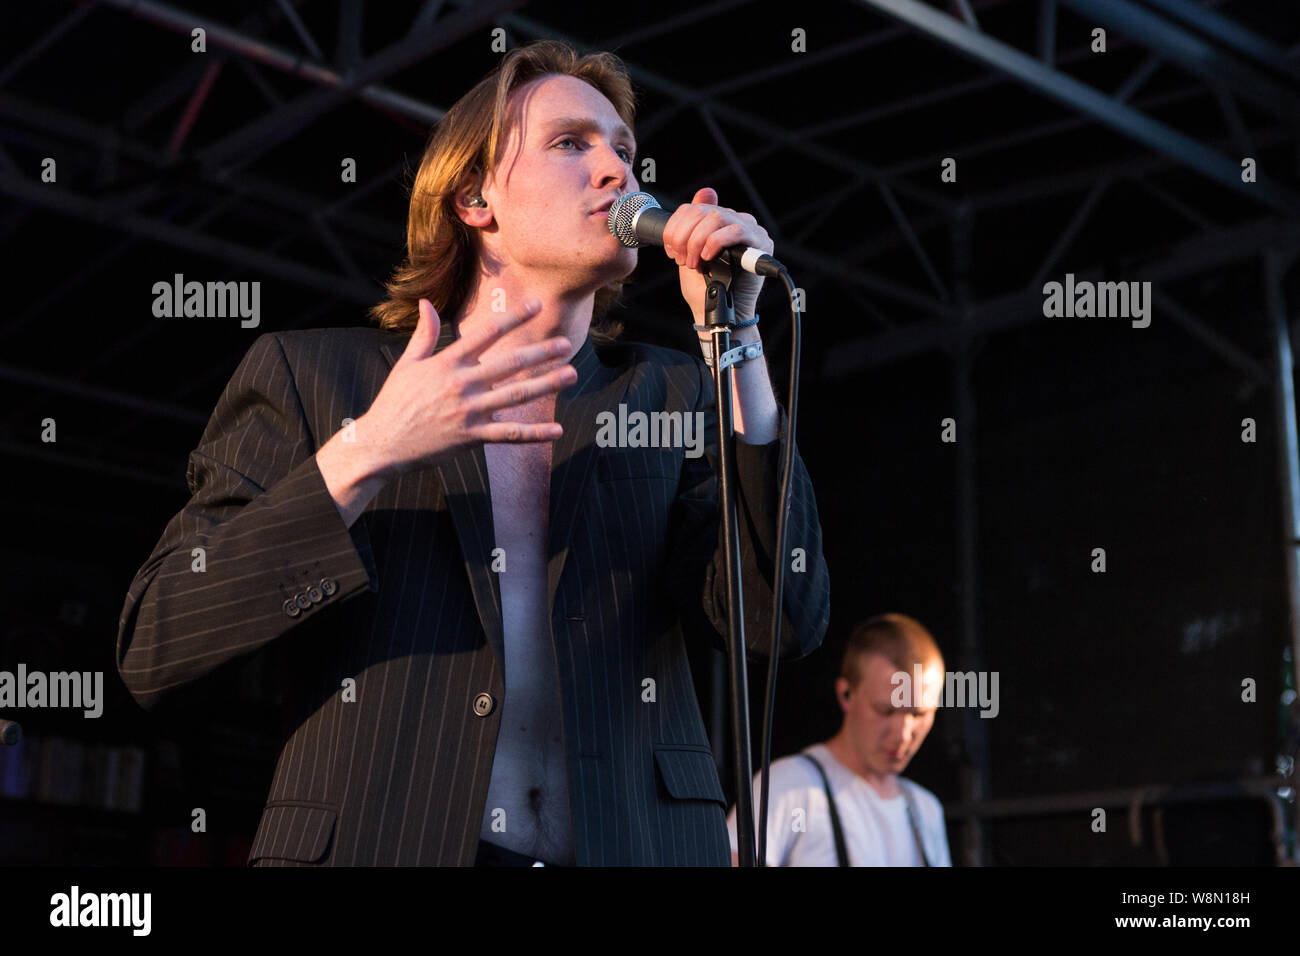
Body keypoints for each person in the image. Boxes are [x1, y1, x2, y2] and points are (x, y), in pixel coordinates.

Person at [116, 40, 830, 866]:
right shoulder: (315, 377)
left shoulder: (674, 394)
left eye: (624, 150)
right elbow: (157, 641)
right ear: (473, 197)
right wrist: (368, 450)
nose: (617, 171)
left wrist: (738, 345)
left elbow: (778, 622)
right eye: (572, 144)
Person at [728, 613, 951, 866]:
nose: (902, 733)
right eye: (885, 710)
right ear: (846, 694)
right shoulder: (789, 785)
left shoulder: (926, 810)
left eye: (919, 713)